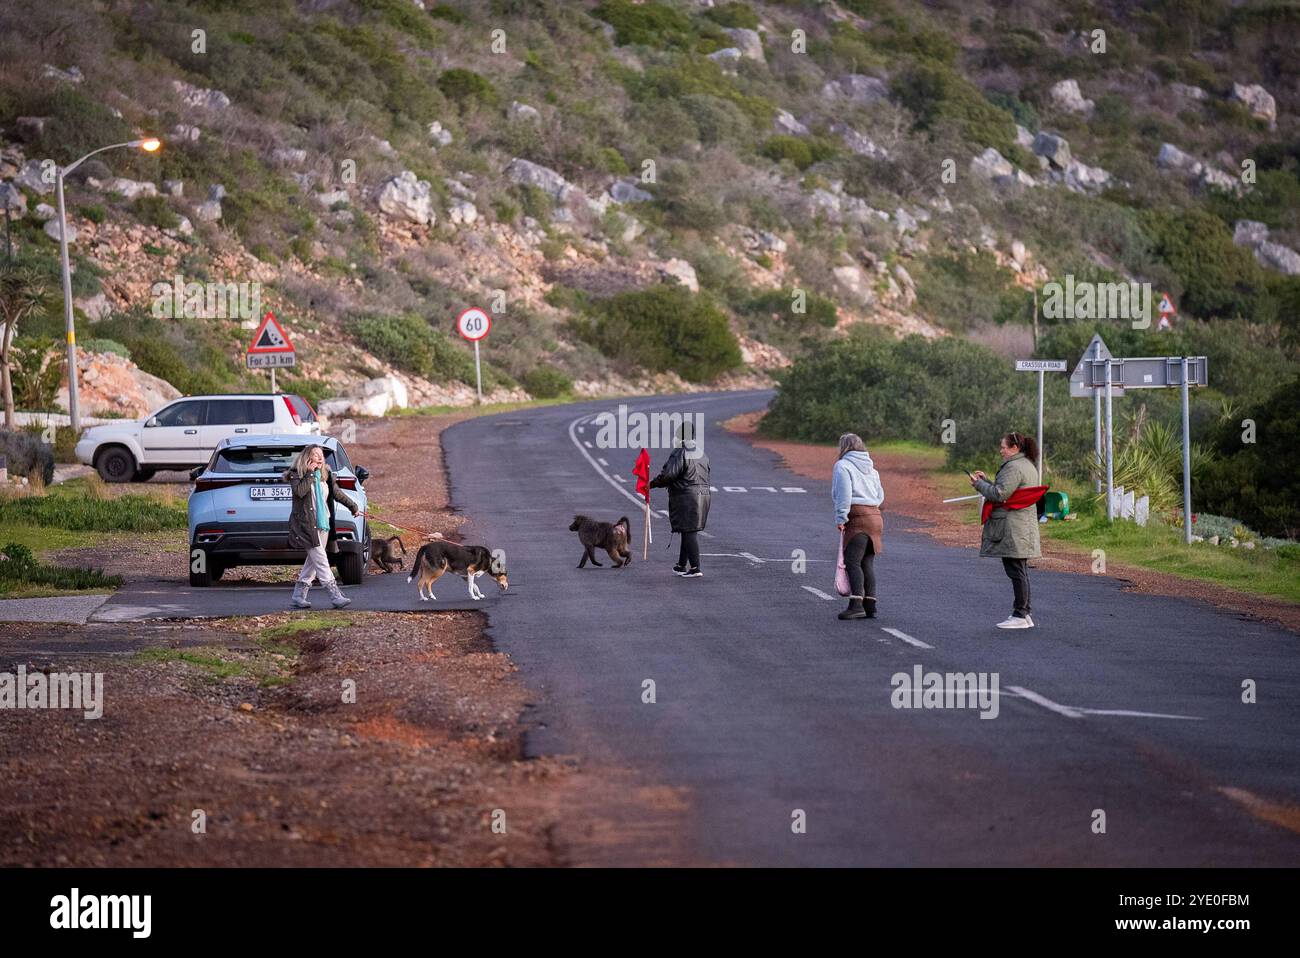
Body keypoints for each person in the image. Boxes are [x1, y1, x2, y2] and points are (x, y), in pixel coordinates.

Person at [970, 431, 1044, 630]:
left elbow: (999, 495)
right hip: (1022, 525)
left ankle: (1020, 614)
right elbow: (1009, 492)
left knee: (1016, 570)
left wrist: (979, 485)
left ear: (1014, 448)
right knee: (1020, 570)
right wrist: (986, 481)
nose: (1001, 450)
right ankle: (1025, 613)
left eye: (1003, 447)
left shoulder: (1013, 467)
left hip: (1013, 526)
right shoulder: (1027, 465)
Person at [285, 444, 364, 610]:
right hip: (306, 525)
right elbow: (299, 492)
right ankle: (335, 595)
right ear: (307, 458)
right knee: (320, 559)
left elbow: (337, 494)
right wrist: (309, 474)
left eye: (321, 455)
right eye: (315, 455)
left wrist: (354, 507)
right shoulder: (296, 475)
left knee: (313, 561)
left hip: (323, 524)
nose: (320, 458)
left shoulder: (325, 476)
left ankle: (298, 595)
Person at [831, 433, 885, 620]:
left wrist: (841, 517)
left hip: (857, 517)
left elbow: (844, 493)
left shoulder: (842, 466)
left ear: (843, 447)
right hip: (875, 517)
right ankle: (870, 604)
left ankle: (856, 605)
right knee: (867, 562)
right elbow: (880, 496)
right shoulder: (872, 469)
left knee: (852, 561)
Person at [649, 421, 711, 577]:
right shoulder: (701, 453)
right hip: (704, 495)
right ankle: (681, 565)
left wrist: (652, 484)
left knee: (689, 531)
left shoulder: (680, 452)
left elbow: (668, 475)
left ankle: (696, 568)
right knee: (687, 529)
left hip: (686, 496)